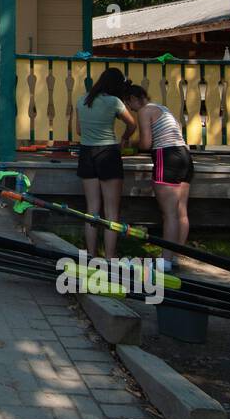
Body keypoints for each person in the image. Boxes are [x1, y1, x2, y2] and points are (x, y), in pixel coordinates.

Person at [120, 81, 193, 270]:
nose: (132, 111)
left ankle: (165, 262)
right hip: (185, 156)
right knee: (181, 212)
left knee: (168, 214)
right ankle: (176, 255)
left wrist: (129, 146)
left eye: (129, 106)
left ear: (135, 99)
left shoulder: (145, 111)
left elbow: (146, 143)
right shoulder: (162, 108)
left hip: (166, 156)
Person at [75, 67, 136, 259]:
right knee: (111, 211)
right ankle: (110, 259)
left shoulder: (82, 100)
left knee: (91, 209)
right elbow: (132, 123)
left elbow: (78, 131)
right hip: (108, 153)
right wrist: (125, 138)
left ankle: (91, 256)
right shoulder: (114, 102)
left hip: (86, 153)